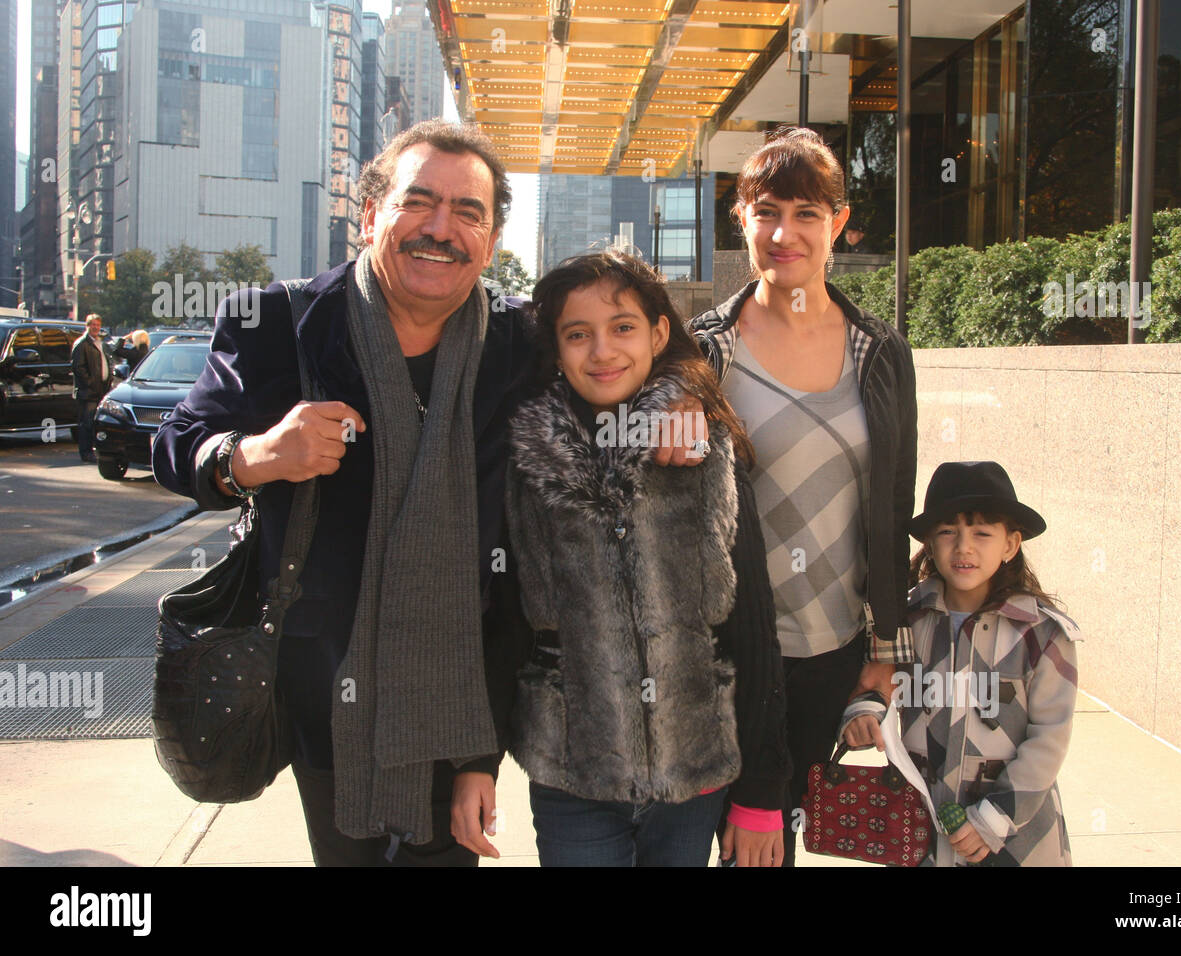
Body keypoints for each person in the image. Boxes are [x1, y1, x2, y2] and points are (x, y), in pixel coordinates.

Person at [153, 120, 706, 867]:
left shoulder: (520, 342)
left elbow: (625, 356)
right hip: (326, 691)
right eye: (419, 202)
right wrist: (253, 456)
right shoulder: (278, 324)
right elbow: (177, 445)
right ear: (371, 210)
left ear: (492, 234)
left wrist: (678, 396)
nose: (441, 230)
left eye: (468, 213)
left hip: (463, 696)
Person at [506, 251, 791, 867]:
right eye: (577, 335)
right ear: (555, 350)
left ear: (659, 333)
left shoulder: (702, 445)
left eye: (623, 328)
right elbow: (503, 617)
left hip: (693, 766)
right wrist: (475, 762)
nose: (602, 351)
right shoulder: (528, 456)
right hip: (572, 768)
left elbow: (753, 626)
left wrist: (764, 791)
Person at [690, 127, 918, 865]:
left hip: (830, 651)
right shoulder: (706, 351)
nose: (785, 233)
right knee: (721, 837)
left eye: (807, 213)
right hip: (726, 652)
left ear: (838, 225)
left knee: (776, 838)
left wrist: (886, 649)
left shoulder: (879, 353)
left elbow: (893, 505)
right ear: (742, 219)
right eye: (766, 211)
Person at [841, 460, 1080, 866]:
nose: (964, 547)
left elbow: (1049, 739)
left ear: (1010, 544)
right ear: (930, 544)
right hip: (922, 832)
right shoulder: (903, 620)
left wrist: (994, 820)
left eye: (982, 533)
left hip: (1015, 842)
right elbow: (876, 685)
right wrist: (863, 712)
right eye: (948, 532)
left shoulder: (1042, 634)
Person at [71, 313, 111, 462]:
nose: (95, 327)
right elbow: (78, 367)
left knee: (96, 423)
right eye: (93, 325)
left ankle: (94, 449)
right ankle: (86, 452)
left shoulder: (99, 342)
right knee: (86, 424)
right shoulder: (82, 344)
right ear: (87, 326)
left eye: (98, 325)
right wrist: (91, 384)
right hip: (88, 392)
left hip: (100, 390)